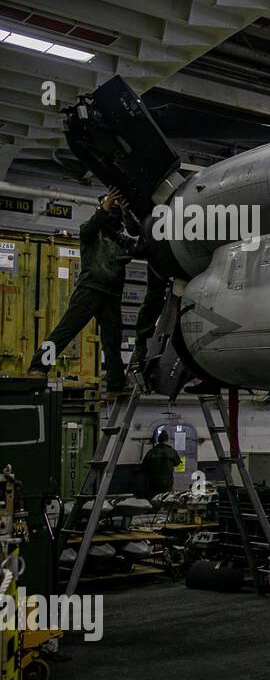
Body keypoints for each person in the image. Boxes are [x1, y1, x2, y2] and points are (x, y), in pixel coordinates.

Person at [26, 187, 132, 394]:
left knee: (113, 342)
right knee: (66, 330)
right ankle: (38, 366)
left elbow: (138, 241)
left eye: (115, 205)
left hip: (111, 296)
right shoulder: (90, 231)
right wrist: (107, 204)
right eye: (109, 204)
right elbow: (92, 227)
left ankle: (116, 384)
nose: (113, 208)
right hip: (89, 290)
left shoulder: (122, 239)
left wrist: (127, 212)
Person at [140, 432, 181, 498]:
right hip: (167, 483)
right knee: (166, 500)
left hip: (153, 483)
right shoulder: (172, 452)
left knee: (154, 501)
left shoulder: (151, 452)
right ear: (167, 440)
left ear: (158, 440)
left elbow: (144, 467)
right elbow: (177, 463)